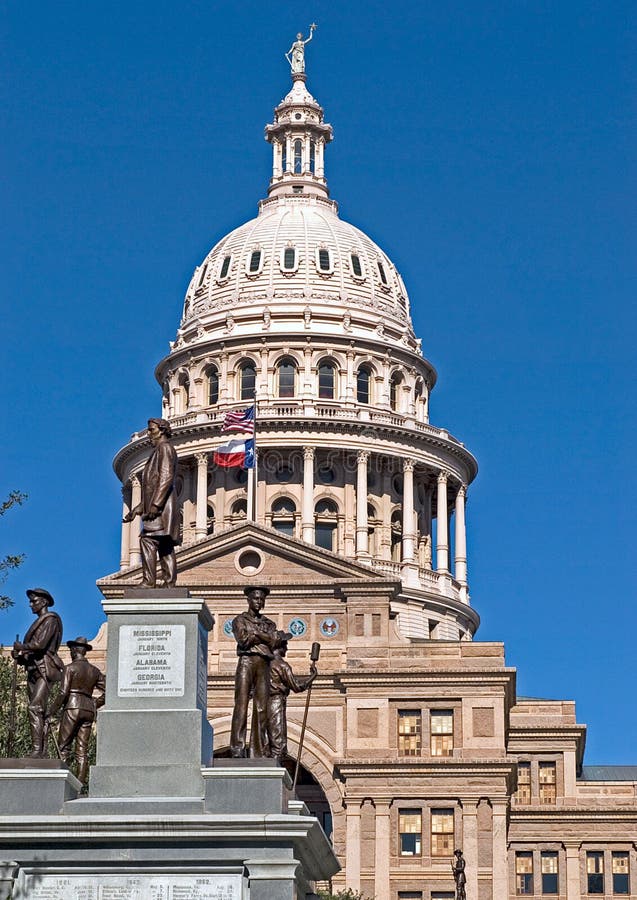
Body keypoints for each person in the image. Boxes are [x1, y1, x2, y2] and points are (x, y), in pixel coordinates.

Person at [123, 418, 180, 588]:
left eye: (151, 430)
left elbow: (165, 477)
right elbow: (152, 486)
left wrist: (155, 505)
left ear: (161, 430)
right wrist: (137, 509)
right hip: (161, 505)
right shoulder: (159, 451)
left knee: (148, 541)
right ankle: (169, 583)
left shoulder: (165, 448)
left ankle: (149, 581)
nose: (149, 434)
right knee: (165, 546)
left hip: (161, 507)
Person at [12, 588, 63, 758]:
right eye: (30, 601)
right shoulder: (40, 621)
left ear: (44, 602)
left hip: (44, 670)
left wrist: (22, 647)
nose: (31, 604)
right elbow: (33, 651)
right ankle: (41, 751)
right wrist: (20, 657)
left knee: (35, 708)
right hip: (33, 670)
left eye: (34, 601)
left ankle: (37, 750)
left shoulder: (51, 620)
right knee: (38, 711)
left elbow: (40, 645)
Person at [49, 636, 105, 784]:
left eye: (71, 649)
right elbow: (109, 690)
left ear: (75, 650)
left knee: (63, 746)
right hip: (88, 710)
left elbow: (63, 693)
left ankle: (62, 783)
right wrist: (95, 704)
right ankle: (80, 783)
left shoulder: (70, 668)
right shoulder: (95, 671)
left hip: (72, 707)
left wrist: (51, 710)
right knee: (82, 749)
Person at [229, 586, 278, 758]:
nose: (259, 602)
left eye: (261, 599)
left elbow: (273, 641)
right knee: (241, 704)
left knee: (262, 708)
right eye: (256, 598)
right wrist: (262, 636)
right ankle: (237, 748)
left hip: (263, 664)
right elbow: (243, 640)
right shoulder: (239, 620)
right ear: (249, 600)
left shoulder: (269, 623)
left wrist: (255, 634)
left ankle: (257, 751)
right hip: (246, 662)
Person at [267, 631, 317, 763]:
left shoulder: (264, 665)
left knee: (269, 735)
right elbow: (297, 686)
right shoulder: (281, 665)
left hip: (264, 703)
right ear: (279, 646)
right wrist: (312, 676)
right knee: (278, 737)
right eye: (285, 644)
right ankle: (275, 764)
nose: (287, 648)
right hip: (276, 702)